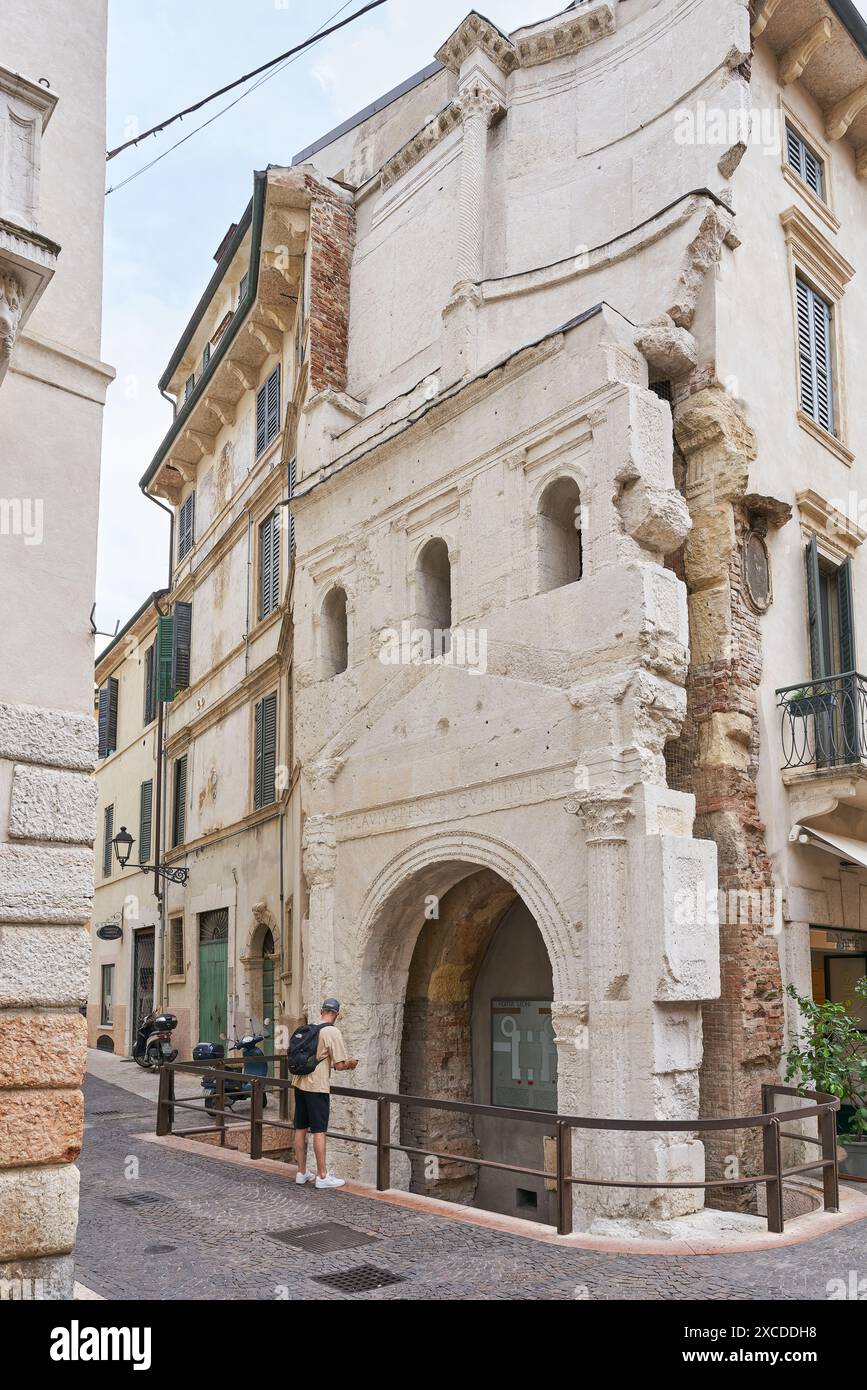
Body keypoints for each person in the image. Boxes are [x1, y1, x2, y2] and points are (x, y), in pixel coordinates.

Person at [290, 998, 358, 1189]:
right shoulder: (332, 1031)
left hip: (299, 1083)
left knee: (300, 1127)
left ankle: (301, 1172)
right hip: (317, 1086)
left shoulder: (309, 1028)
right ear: (336, 1014)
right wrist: (351, 1063)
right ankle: (322, 1176)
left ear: (321, 1011)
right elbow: (339, 1064)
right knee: (319, 1130)